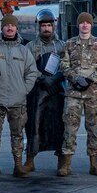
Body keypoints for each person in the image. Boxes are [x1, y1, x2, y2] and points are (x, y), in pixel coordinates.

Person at [0, 14, 40, 178]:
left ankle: (18, 165)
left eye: (12, 26)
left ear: (16, 28)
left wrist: (24, 89)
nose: (10, 28)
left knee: (17, 134)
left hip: (17, 102)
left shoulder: (23, 51)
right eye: (6, 26)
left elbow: (32, 72)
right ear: (2, 28)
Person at [58, 12, 97, 176]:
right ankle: (66, 164)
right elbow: (63, 65)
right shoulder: (69, 44)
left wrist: (90, 80)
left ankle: (94, 163)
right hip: (73, 93)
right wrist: (76, 79)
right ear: (78, 25)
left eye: (88, 22)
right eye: (82, 23)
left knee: (93, 129)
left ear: (91, 25)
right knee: (70, 129)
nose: (85, 25)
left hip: (92, 94)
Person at [24, 9, 65, 173]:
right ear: (38, 27)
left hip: (58, 91)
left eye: (49, 25)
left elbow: (68, 65)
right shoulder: (30, 46)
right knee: (33, 125)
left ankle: (62, 160)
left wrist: (55, 79)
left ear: (54, 26)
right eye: (43, 25)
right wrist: (42, 79)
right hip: (36, 91)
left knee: (61, 125)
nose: (46, 28)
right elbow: (27, 67)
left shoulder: (62, 45)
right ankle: (30, 159)